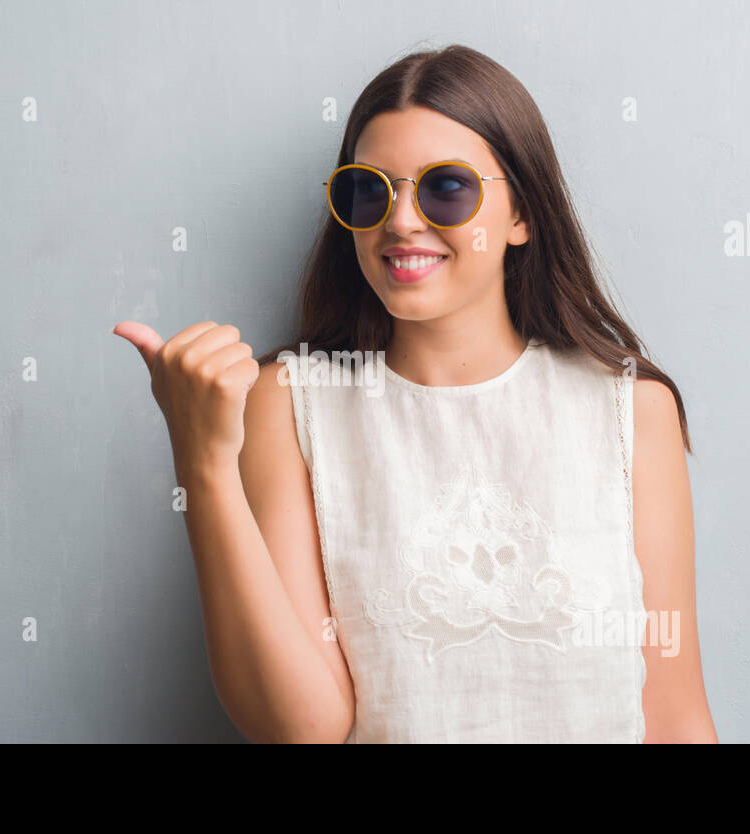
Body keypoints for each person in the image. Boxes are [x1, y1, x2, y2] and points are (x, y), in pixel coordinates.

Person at [115, 44, 716, 743]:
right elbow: (303, 728)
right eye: (369, 191)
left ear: (521, 214)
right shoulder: (294, 404)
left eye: (446, 187)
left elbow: (674, 717)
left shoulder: (628, 410)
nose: (400, 221)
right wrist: (204, 466)